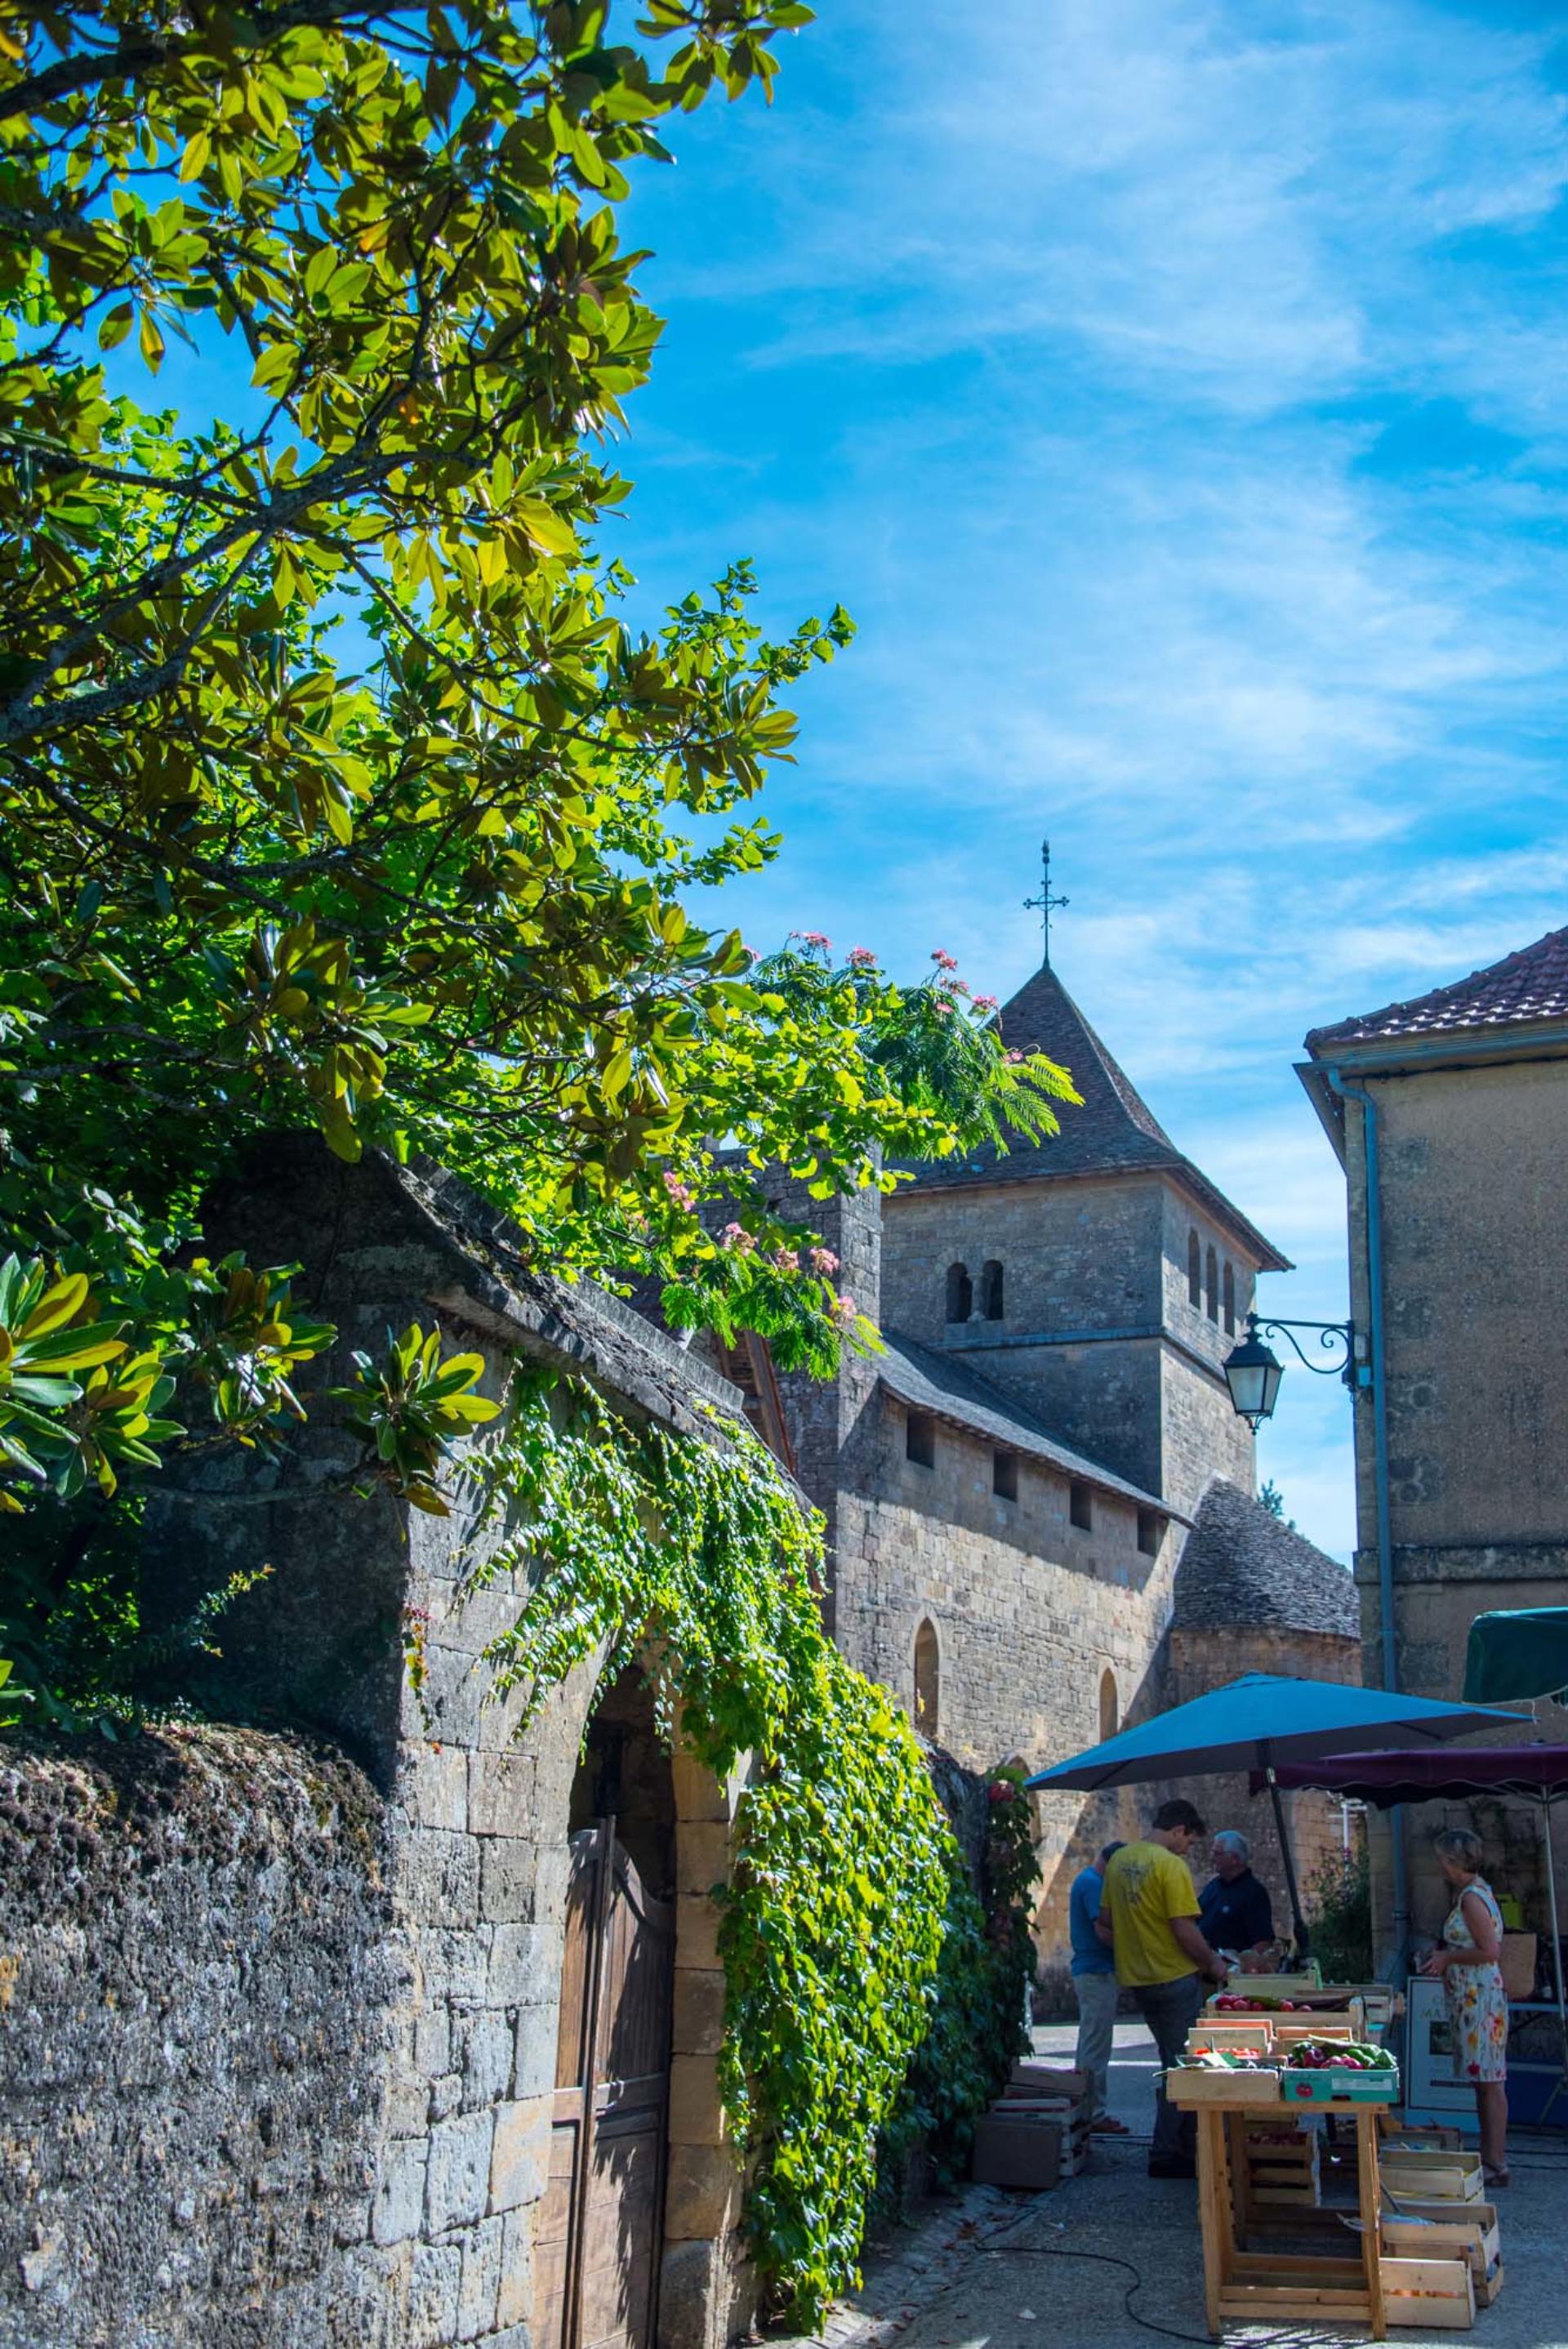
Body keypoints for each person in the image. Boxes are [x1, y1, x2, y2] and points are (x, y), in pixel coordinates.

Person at [1097, 1798, 1230, 2179]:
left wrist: (1137, 1938)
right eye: (1189, 1841)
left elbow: (1106, 1921)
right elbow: (1183, 1928)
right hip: (1173, 1975)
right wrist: (1213, 1963)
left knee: (1169, 2060)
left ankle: (1179, 2146)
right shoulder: (1171, 1866)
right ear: (1178, 1831)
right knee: (1183, 2066)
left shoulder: (1119, 1860)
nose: (1189, 1849)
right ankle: (1169, 2151)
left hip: (1138, 1977)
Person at [1422, 1827, 1509, 2187]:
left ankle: (1496, 2160)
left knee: (1490, 2082)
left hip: (1480, 2000)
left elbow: (1490, 1951)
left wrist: (1448, 1957)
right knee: (1483, 2080)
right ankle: (1490, 2156)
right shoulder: (1474, 1893)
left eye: (1442, 1858)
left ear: (1453, 1861)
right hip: (1472, 1998)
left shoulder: (1472, 1898)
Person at [1069, 1842, 1128, 2134]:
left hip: (1092, 1971)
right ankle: (1094, 2113)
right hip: (1097, 1971)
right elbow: (1103, 1931)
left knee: (1089, 2043)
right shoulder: (1094, 1885)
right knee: (1096, 2047)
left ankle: (1084, 2108)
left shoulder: (1088, 1880)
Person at [1198, 1830, 1275, 1957]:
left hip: (1228, 1970)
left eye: (1218, 1854)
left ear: (1234, 1859)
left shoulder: (1253, 1893)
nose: (1212, 1858)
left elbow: (1262, 1941)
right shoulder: (1213, 1886)